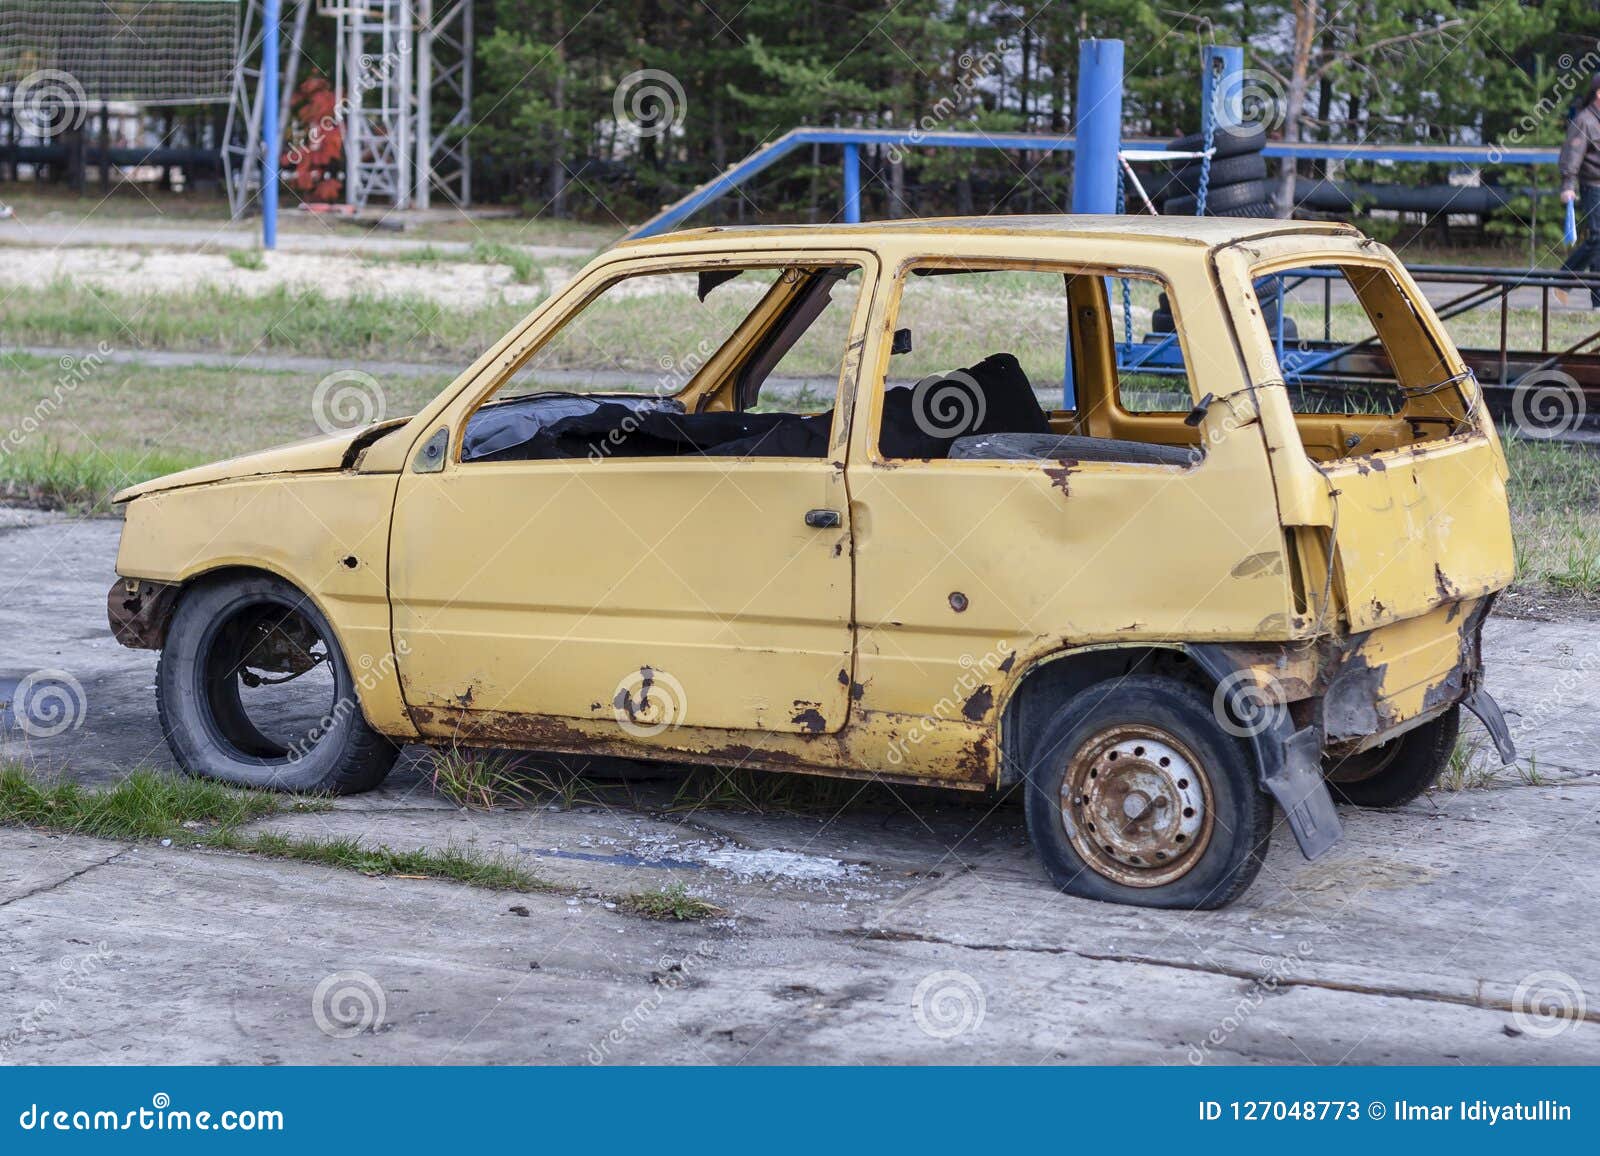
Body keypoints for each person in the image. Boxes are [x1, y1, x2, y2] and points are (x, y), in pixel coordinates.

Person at [1560, 74, 1600, 306]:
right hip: (1593, 186)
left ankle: (1598, 302)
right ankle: (1563, 280)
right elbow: (1571, 156)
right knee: (1597, 238)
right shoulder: (1585, 121)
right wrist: (1567, 184)